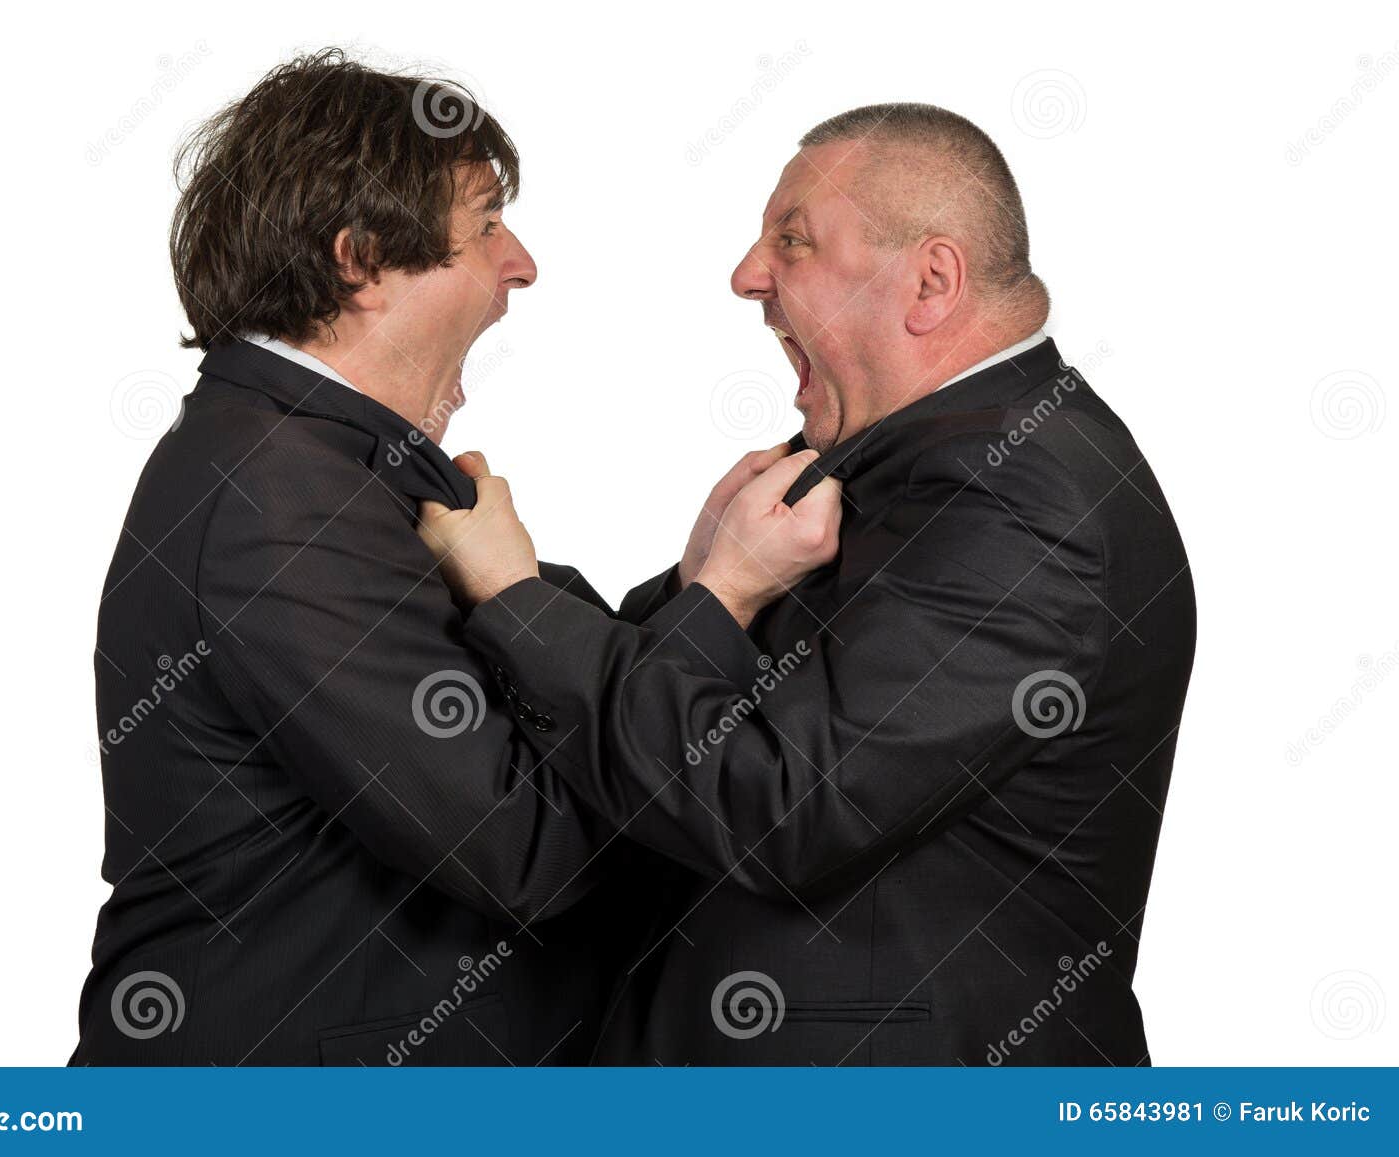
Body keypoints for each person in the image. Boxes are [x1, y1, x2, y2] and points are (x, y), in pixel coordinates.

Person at [70, 49, 839, 1066]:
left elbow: (531, 717)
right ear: (357, 261)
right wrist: (725, 600)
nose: (518, 262)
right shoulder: (276, 495)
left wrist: (698, 583)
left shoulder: (320, 460)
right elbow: (530, 846)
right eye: (483, 224)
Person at [421, 103, 1197, 1065]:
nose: (747, 274)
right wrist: (709, 586)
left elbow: (782, 804)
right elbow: (700, 727)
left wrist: (515, 603)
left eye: (793, 240)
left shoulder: (1027, 501)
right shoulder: (923, 460)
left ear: (931, 282)